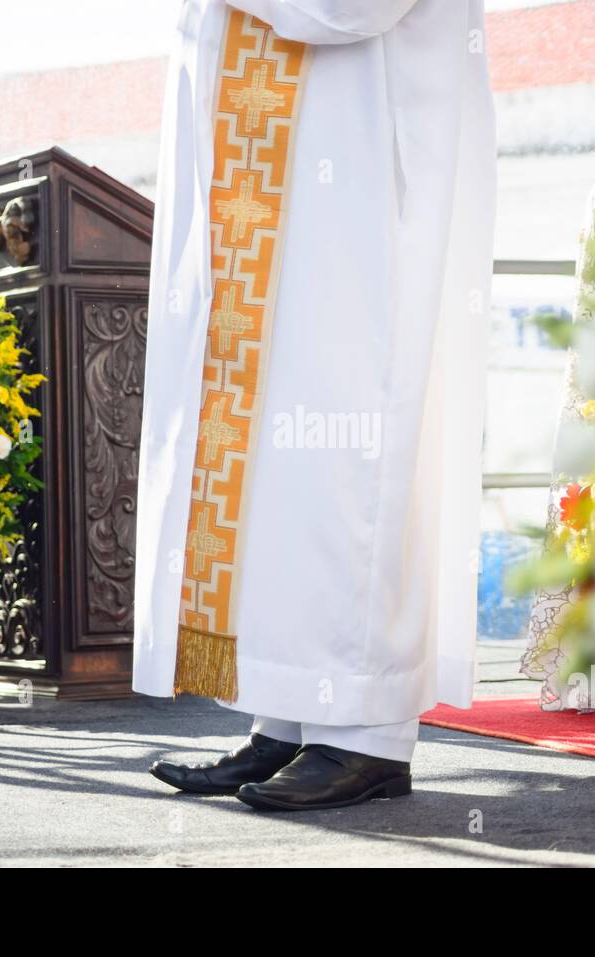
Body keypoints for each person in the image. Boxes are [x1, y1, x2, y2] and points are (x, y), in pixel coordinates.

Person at [133, 0, 496, 811]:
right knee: (273, 464)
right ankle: (288, 716)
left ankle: (366, 737)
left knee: (347, 457)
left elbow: (351, 9)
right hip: (271, 186)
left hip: (361, 192)